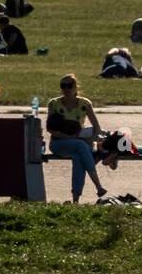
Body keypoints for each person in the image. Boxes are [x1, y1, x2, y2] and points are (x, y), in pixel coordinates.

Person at [46, 74, 108, 203]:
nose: (66, 88)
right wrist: (69, 136)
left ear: (75, 87)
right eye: (63, 86)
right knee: (80, 146)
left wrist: (92, 137)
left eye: (69, 85)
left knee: (78, 157)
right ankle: (98, 185)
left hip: (80, 144)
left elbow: (97, 127)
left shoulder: (85, 103)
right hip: (59, 144)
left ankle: (75, 200)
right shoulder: (54, 104)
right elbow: (51, 129)